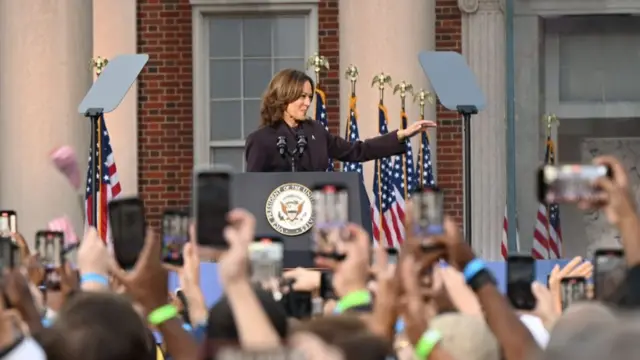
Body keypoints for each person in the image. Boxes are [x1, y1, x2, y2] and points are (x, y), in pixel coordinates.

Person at [245, 69, 436, 172]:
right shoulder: (261, 140)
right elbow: (253, 189)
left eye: (309, 97)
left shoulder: (316, 132)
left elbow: (357, 151)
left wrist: (401, 135)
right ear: (284, 96)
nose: (307, 103)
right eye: (301, 97)